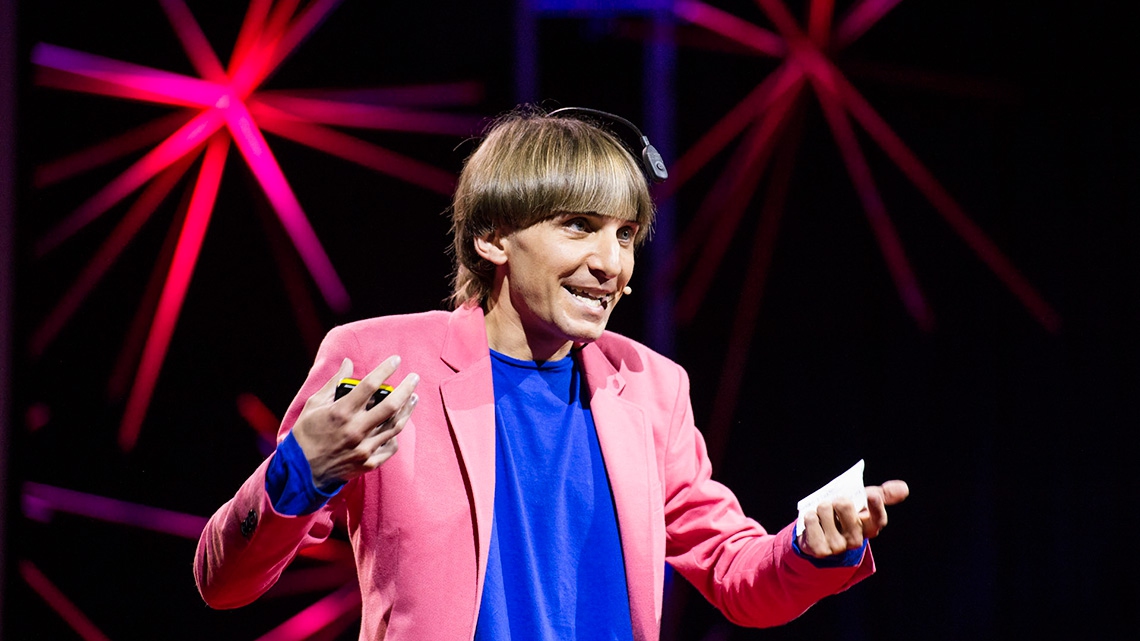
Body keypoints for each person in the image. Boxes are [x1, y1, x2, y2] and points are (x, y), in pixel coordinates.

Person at [194, 106, 909, 640]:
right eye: (578, 225)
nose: (612, 262)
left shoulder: (651, 387)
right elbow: (222, 584)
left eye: (625, 234)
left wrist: (810, 547)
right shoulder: (382, 361)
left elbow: (734, 573)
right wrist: (298, 471)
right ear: (492, 237)